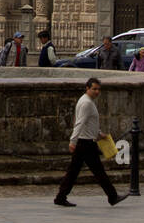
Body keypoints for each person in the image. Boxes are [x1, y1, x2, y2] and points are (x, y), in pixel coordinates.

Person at [54, 78, 128, 208]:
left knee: (73, 172)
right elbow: (80, 122)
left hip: (86, 141)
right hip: (85, 143)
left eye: (98, 89)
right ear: (87, 88)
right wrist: (73, 141)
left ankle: (60, 197)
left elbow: (89, 123)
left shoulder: (87, 101)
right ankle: (112, 196)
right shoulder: (86, 103)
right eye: (94, 89)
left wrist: (99, 134)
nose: (97, 92)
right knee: (98, 171)